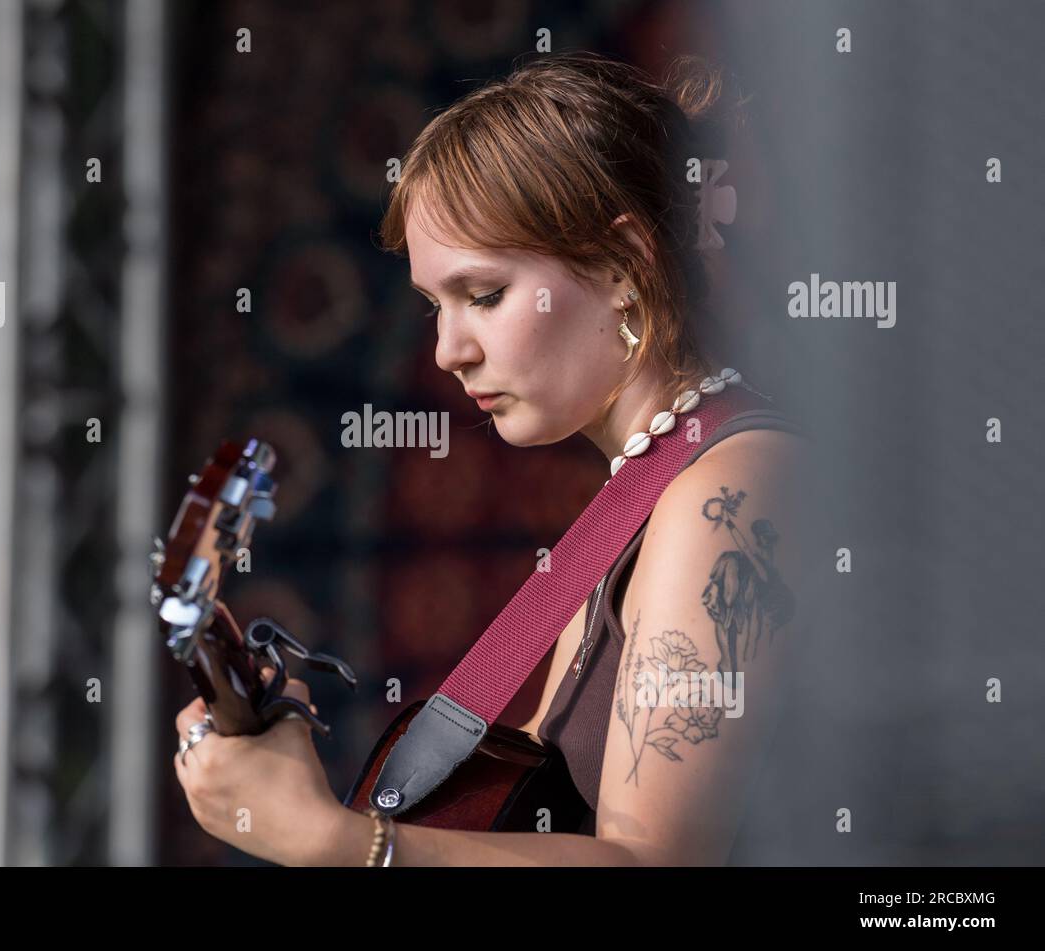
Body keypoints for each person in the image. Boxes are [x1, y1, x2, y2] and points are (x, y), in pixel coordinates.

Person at [173, 51, 810, 866]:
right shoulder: (642, 499)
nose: (446, 351)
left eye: (483, 295)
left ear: (623, 268)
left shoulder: (729, 488)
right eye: (433, 306)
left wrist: (338, 843)